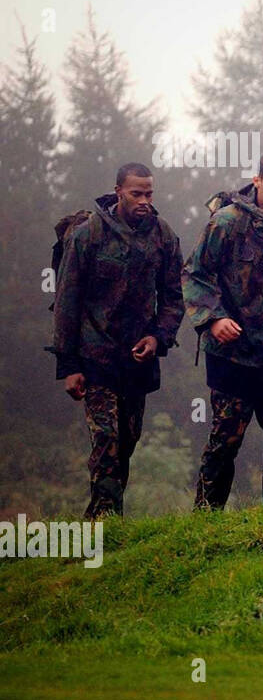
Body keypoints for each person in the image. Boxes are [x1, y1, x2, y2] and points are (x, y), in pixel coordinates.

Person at [47, 162, 184, 517]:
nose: (143, 200)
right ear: (118, 191)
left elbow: (173, 298)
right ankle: (106, 520)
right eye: (136, 193)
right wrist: (69, 365)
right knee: (106, 439)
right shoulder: (88, 235)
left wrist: (158, 337)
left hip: (138, 359)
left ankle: (103, 516)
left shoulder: (163, 235)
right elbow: (66, 302)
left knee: (126, 441)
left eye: (149, 193)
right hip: (95, 356)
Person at [183, 151, 263, 509]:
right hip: (234, 356)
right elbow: (195, 274)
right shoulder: (226, 222)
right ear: (256, 181)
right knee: (225, 443)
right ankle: (206, 522)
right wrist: (213, 318)